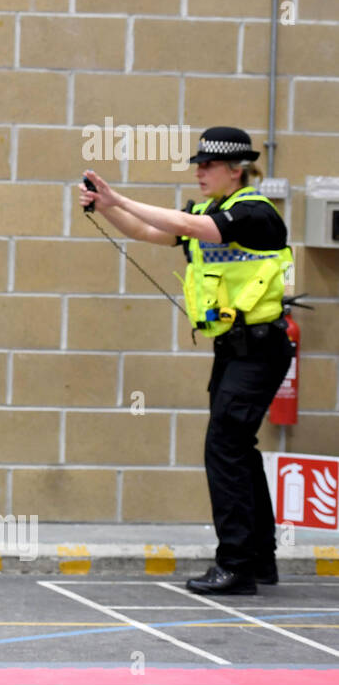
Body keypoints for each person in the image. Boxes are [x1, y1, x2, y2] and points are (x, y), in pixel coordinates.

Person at [80, 126, 293, 596]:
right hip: (235, 350)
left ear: (236, 170)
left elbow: (194, 229)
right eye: (197, 164)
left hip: (260, 349)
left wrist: (122, 197)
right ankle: (259, 559)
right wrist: (109, 208)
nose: (199, 171)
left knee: (225, 447)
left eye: (208, 165)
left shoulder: (255, 212)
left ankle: (236, 564)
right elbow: (149, 231)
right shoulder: (206, 210)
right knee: (237, 447)